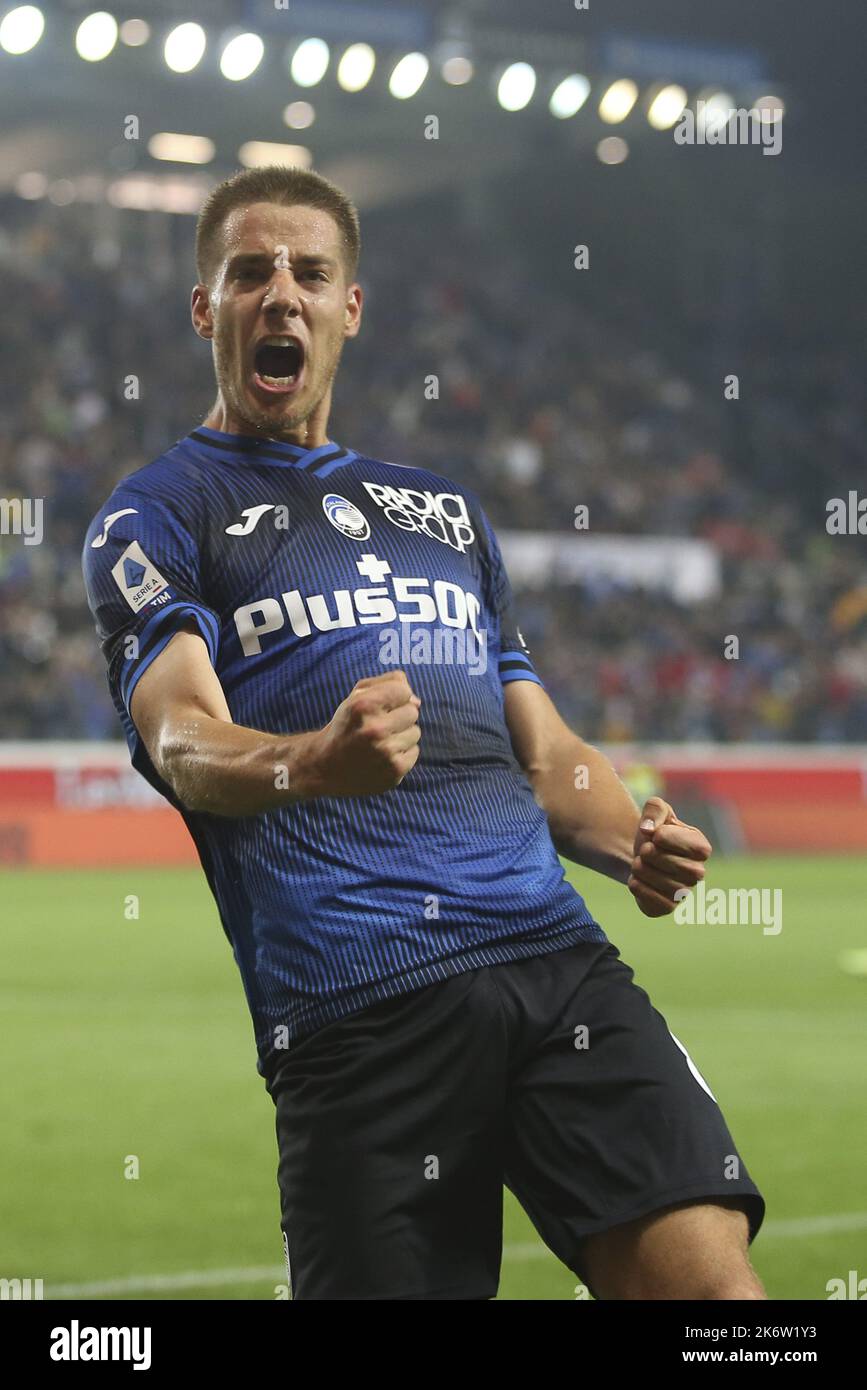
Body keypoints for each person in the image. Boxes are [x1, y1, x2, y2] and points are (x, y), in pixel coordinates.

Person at [82, 165, 765, 1300]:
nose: (281, 296)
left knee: (720, 1302)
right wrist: (314, 762)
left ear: (353, 306)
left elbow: (545, 756)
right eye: (250, 273)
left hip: (557, 970)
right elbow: (186, 742)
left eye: (311, 273)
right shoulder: (157, 512)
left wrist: (628, 836)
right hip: (362, 1011)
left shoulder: (442, 512)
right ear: (206, 309)